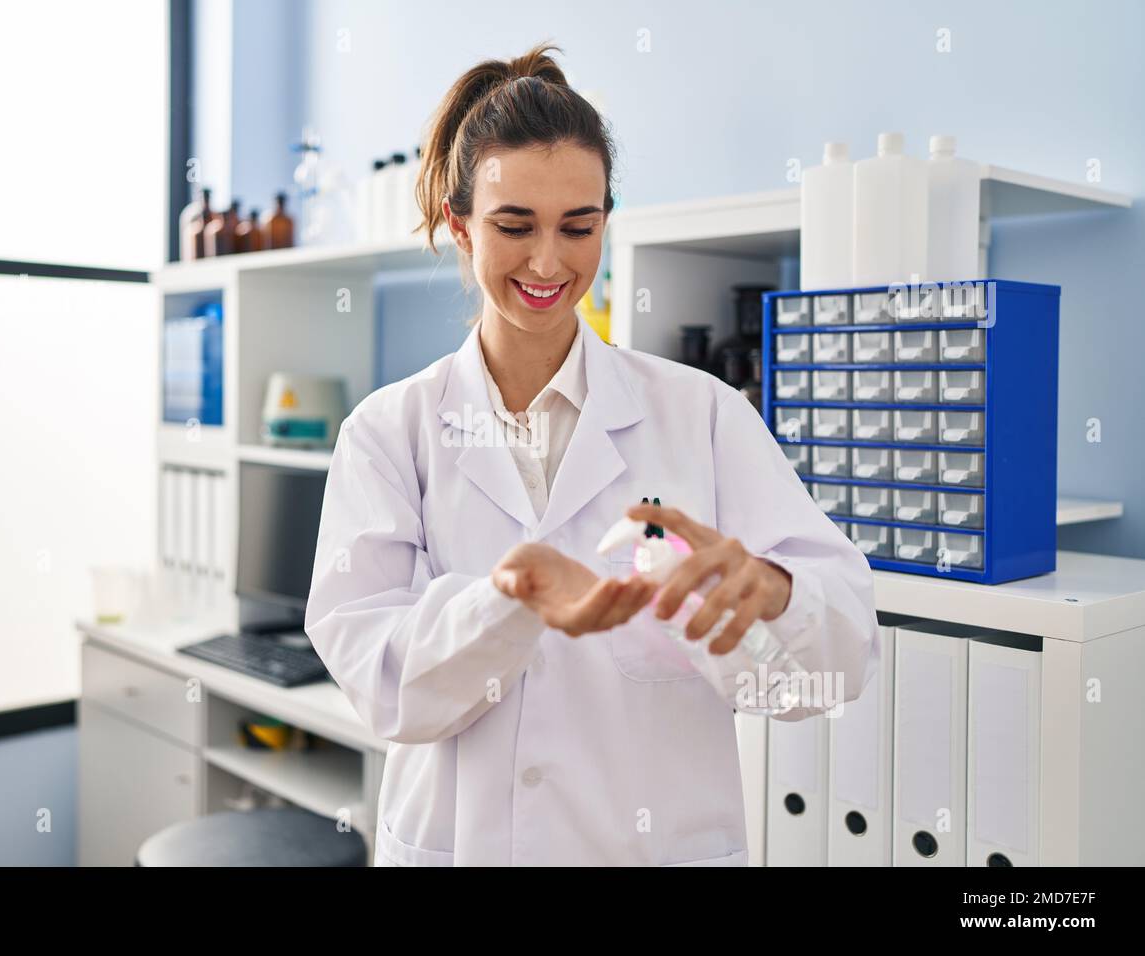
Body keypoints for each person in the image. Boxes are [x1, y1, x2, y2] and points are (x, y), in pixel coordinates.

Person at [305, 41, 877, 866]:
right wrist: (509, 601)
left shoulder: (702, 415)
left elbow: (841, 660)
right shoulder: (389, 433)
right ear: (460, 227)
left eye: (579, 226)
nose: (549, 261)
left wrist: (774, 593)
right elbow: (382, 685)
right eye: (514, 226)